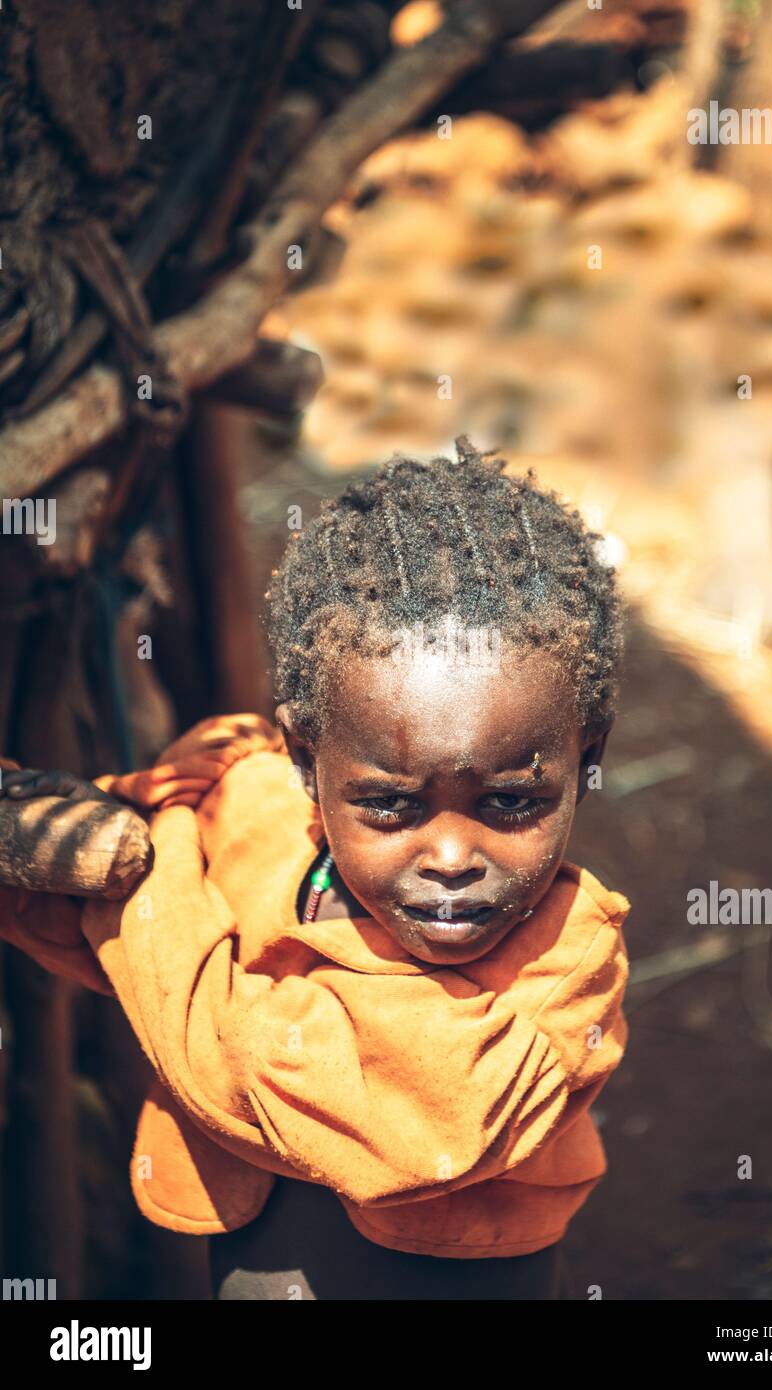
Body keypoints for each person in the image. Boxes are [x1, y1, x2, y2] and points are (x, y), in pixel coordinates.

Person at [0, 437, 631, 1300]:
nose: (450, 858)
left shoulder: (567, 965)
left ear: (586, 757)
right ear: (307, 759)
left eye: (512, 804)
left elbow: (334, 1104)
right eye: (390, 805)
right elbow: (92, 848)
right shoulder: (255, 815)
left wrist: (148, 900)